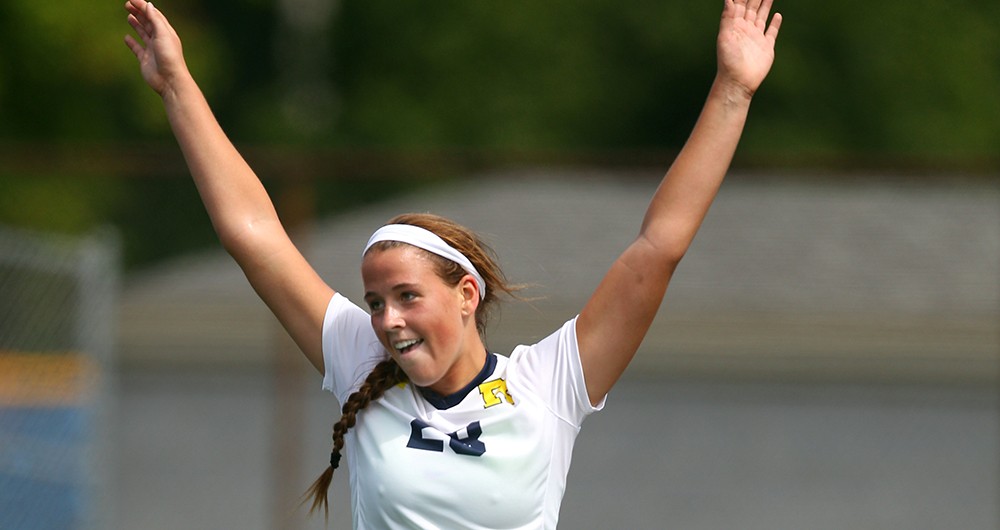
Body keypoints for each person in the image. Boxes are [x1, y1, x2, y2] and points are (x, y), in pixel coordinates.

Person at [125, 0, 782, 527]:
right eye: (375, 301)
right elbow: (254, 236)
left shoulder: (546, 386)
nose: (385, 319)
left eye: (407, 296)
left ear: (466, 293)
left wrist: (732, 89)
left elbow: (657, 248)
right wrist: (177, 86)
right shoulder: (363, 365)